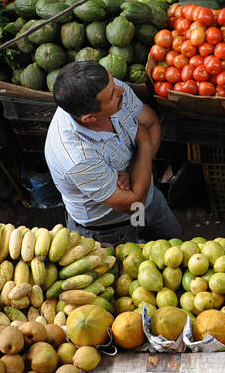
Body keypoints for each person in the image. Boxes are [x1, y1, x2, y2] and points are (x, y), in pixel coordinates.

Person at [45, 62, 182, 244]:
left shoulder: (108, 88)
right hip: (110, 230)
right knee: (130, 268)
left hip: (150, 198)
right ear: (90, 118)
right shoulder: (76, 156)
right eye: (112, 95)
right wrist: (145, 143)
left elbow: (152, 124)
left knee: (176, 246)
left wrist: (135, 170)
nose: (121, 90)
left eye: (113, 83)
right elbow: (134, 204)